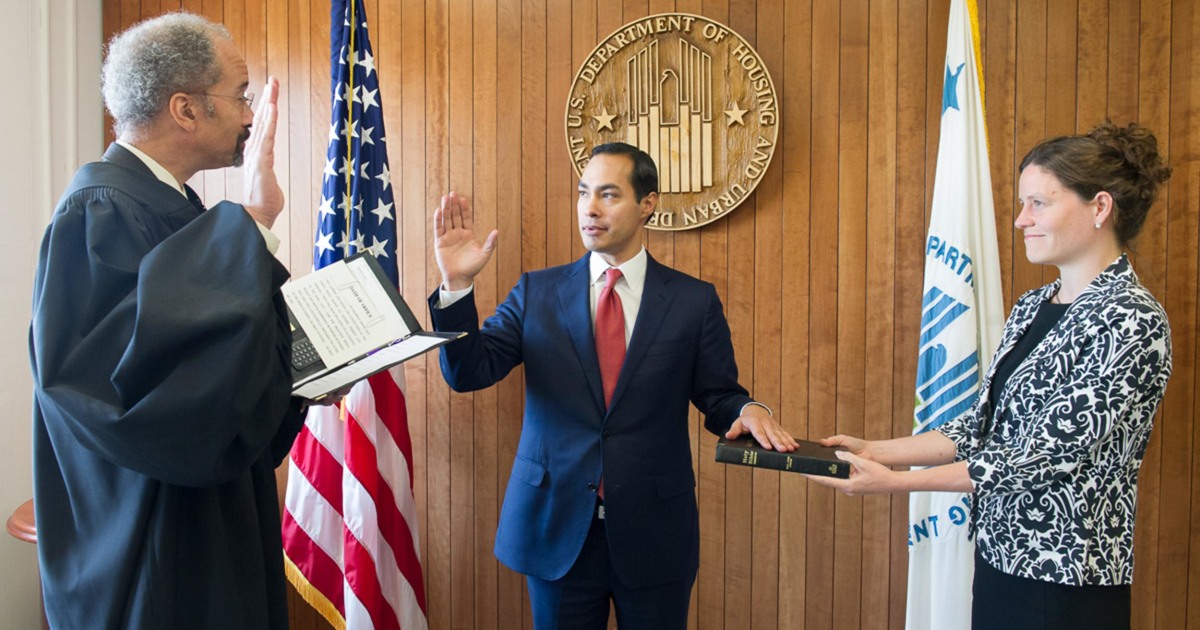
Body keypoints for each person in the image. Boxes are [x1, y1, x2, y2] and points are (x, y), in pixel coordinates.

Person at [806, 121, 1173, 630]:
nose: (1021, 220)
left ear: (1100, 208)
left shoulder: (1132, 318)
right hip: (1000, 559)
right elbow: (979, 427)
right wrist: (875, 449)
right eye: (1022, 204)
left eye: (1038, 204)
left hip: (1068, 578)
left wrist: (892, 484)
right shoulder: (1031, 307)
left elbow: (1043, 456)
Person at [429, 142, 798, 629]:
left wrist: (748, 409)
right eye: (584, 193)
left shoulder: (692, 302)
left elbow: (719, 395)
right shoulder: (537, 293)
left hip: (655, 533)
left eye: (608, 195)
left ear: (647, 204)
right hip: (557, 529)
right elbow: (467, 373)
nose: (591, 208)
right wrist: (455, 287)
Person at [29, 13, 306, 629]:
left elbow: (199, 365)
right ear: (185, 108)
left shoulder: (173, 208)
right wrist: (255, 219)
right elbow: (133, 398)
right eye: (239, 96)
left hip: (205, 517)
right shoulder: (100, 213)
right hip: (154, 538)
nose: (250, 115)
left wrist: (295, 382)